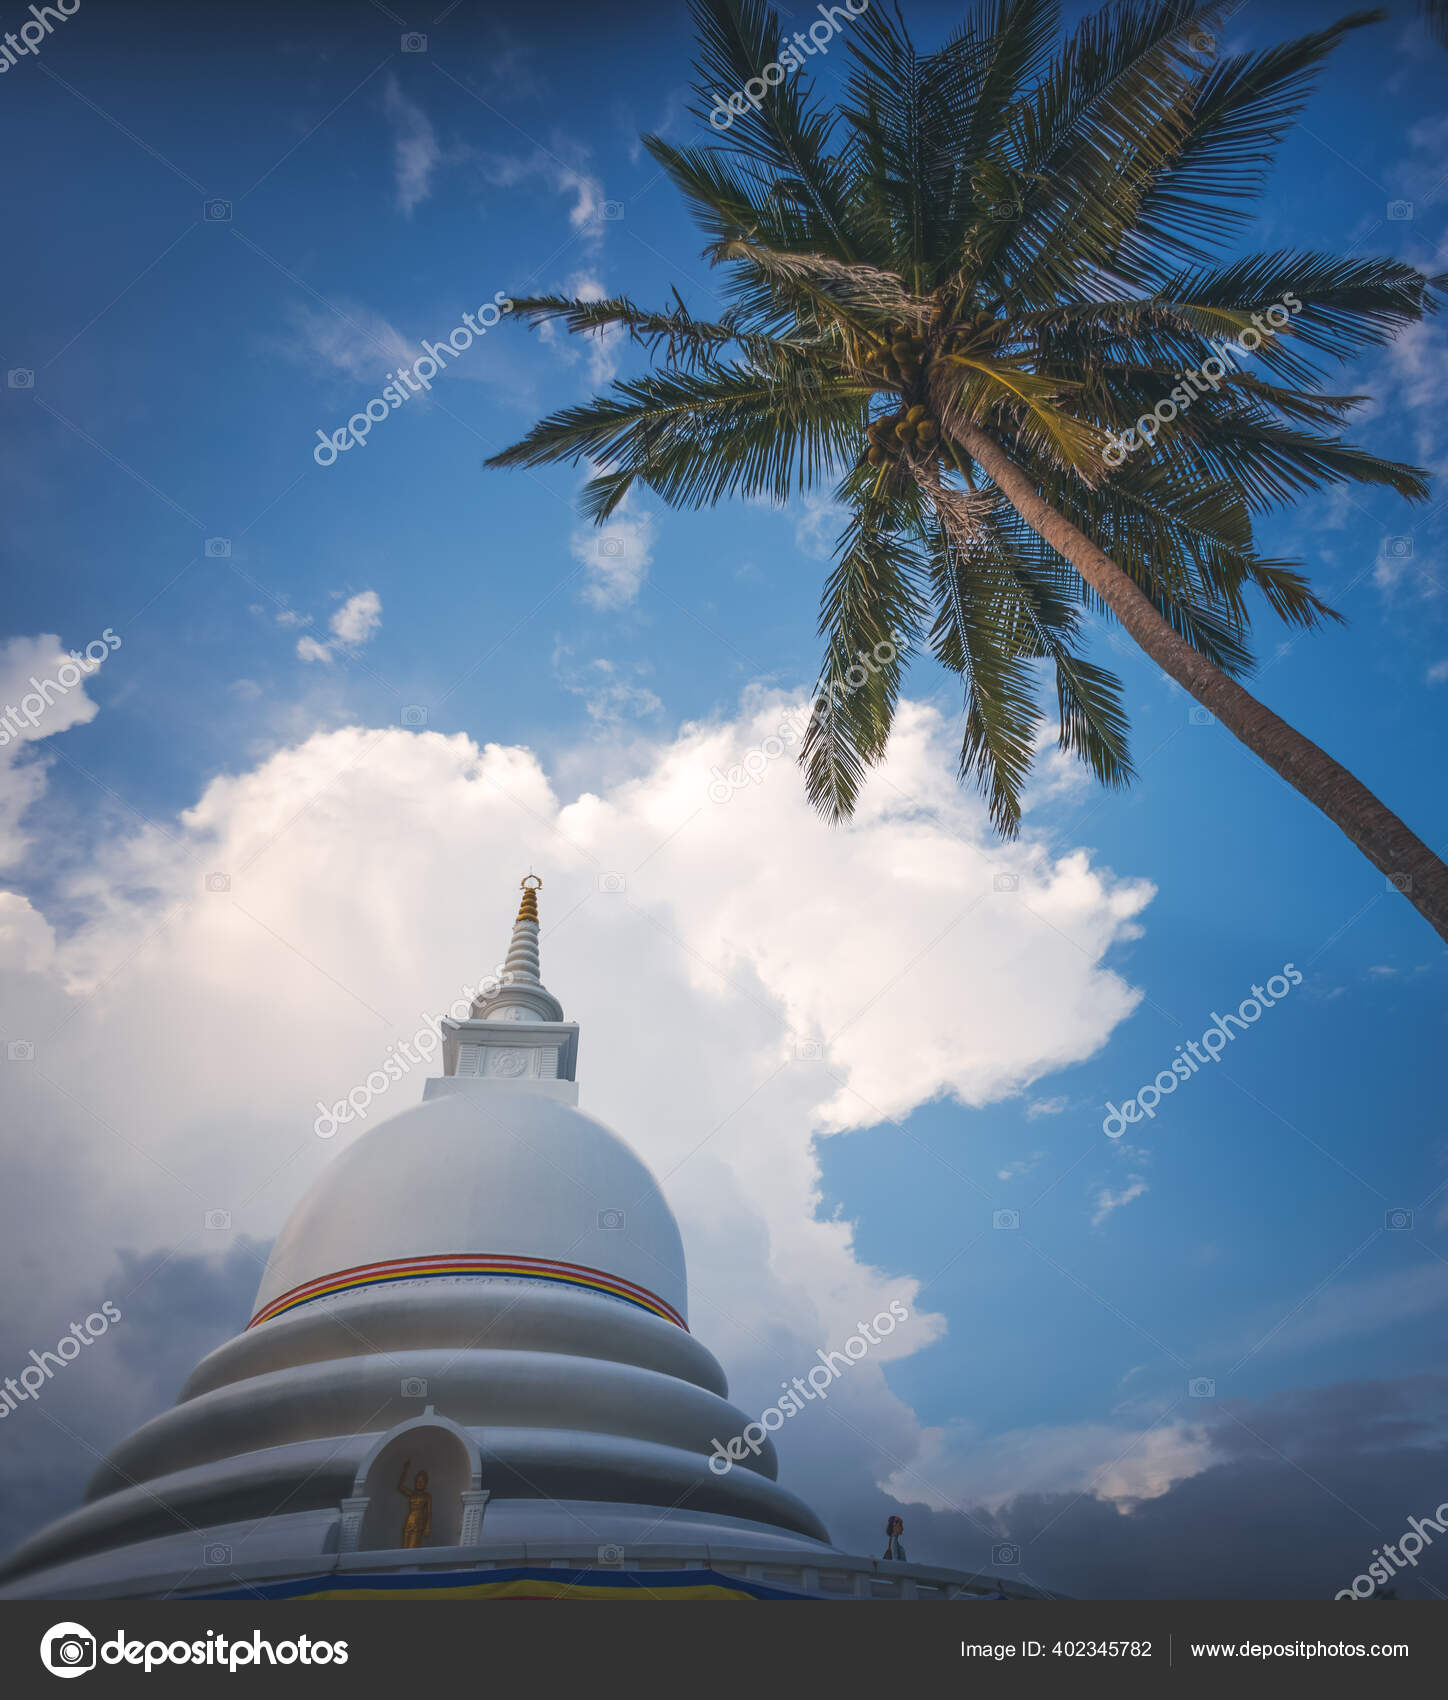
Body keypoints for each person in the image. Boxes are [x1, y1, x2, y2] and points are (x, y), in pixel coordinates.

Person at [396, 1459, 432, 1548]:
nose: (419, 1483)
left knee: (413, 1546)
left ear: (425, 1483)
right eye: (417, 1481)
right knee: (404, 1546)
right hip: (409, 1521)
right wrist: (405, 1470)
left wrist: (427, 1527)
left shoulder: (427, 1496)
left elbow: (429, 1512)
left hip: (419, 1522)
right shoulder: (412, 1493)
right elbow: (400, 1487)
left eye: (421, 1481)